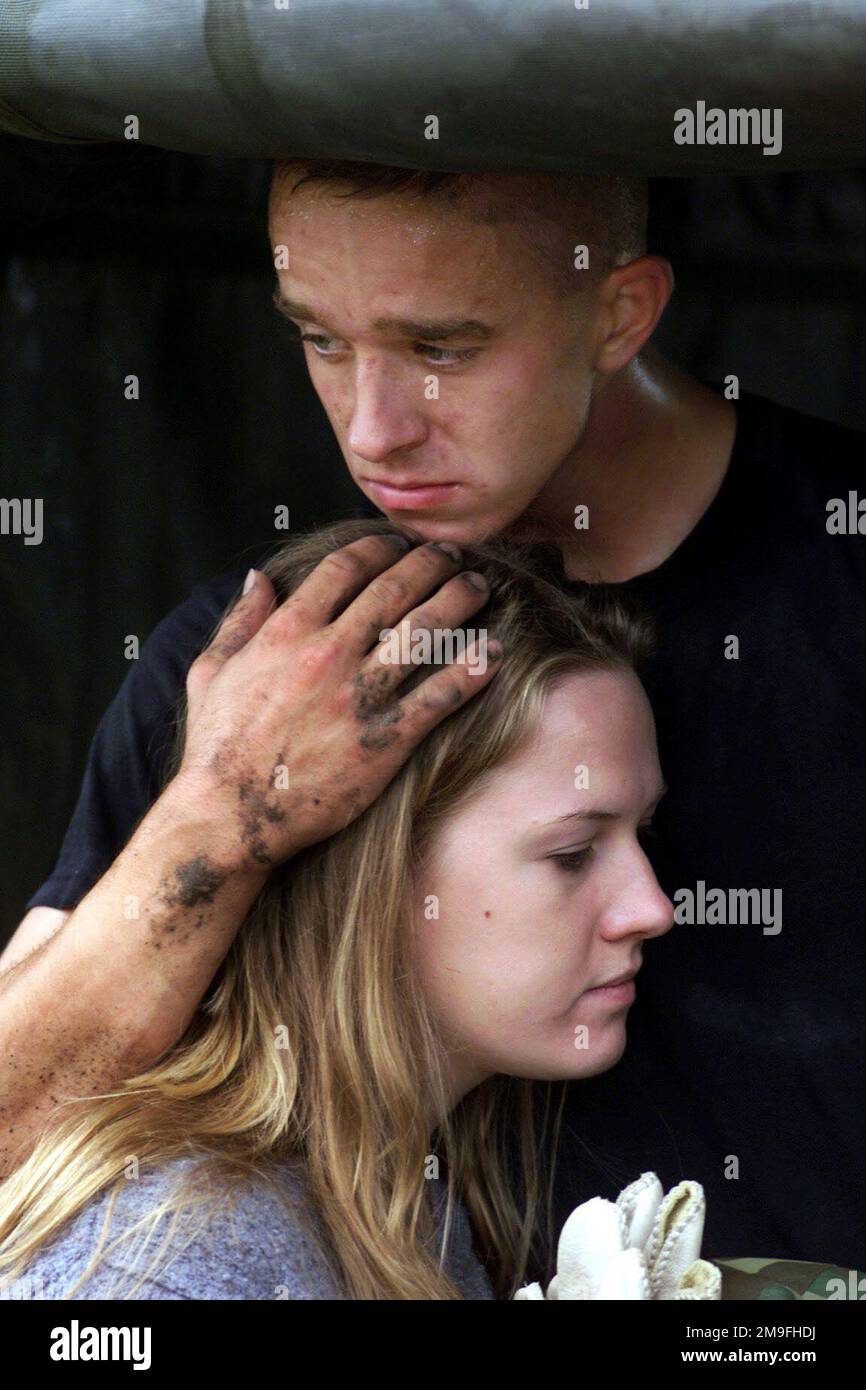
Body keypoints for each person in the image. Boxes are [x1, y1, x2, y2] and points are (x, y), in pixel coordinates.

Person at [3, 158, 865, 1268]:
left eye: (439, 348)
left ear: (620, 311)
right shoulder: (260, 657)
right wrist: (222, 807)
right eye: (319, 338)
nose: (371, 429)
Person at [0, 521, 672, 1299]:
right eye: (572, 853)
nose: (653, 906)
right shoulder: (179, 1262)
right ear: (370, 874)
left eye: (642, 834)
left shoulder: (408, 1205)